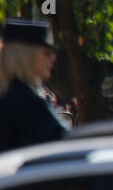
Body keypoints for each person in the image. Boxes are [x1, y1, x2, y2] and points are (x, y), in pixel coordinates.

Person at [0, 19, 69, 153]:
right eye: (46, 53)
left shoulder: (9, 96)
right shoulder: (28, 103)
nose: (53, 58)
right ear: (26, 57)